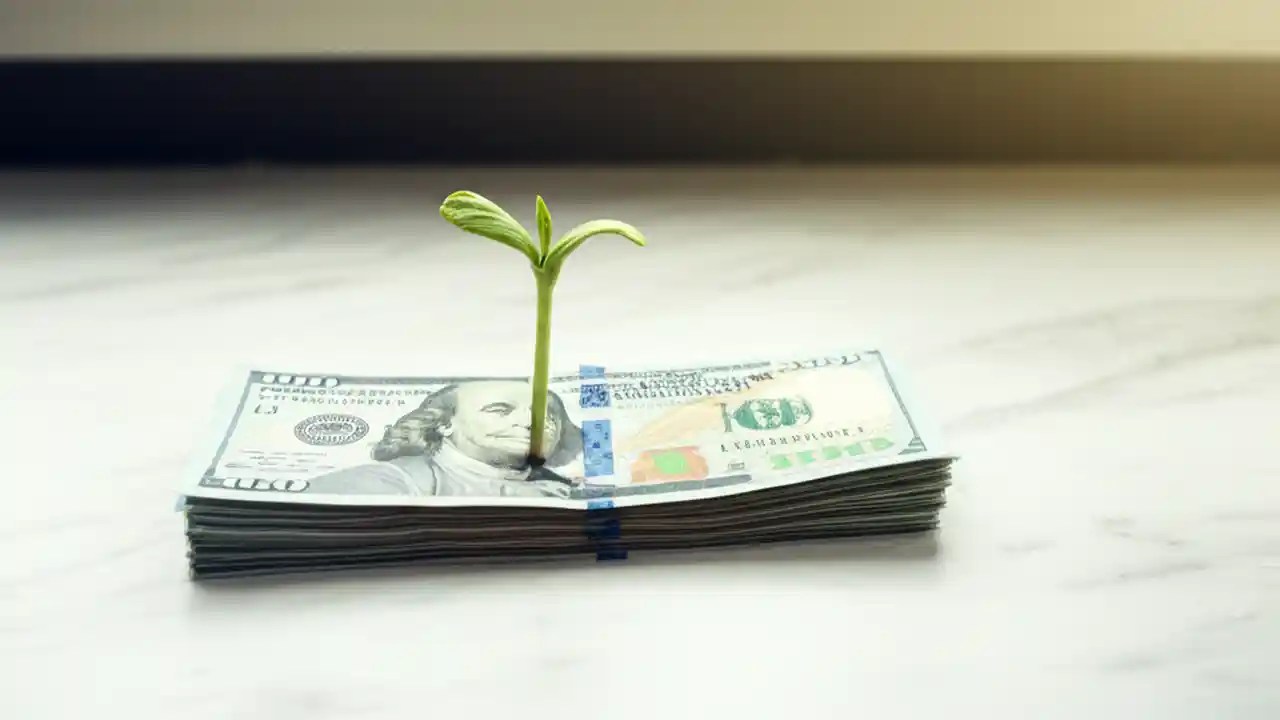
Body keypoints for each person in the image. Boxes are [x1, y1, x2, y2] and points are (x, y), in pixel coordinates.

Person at [306, 380, 583, 498]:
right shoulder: (387, 481)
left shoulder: (567, 487)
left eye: (548, 414)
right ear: (444, 423)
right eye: (500, 410)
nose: (529, 423)